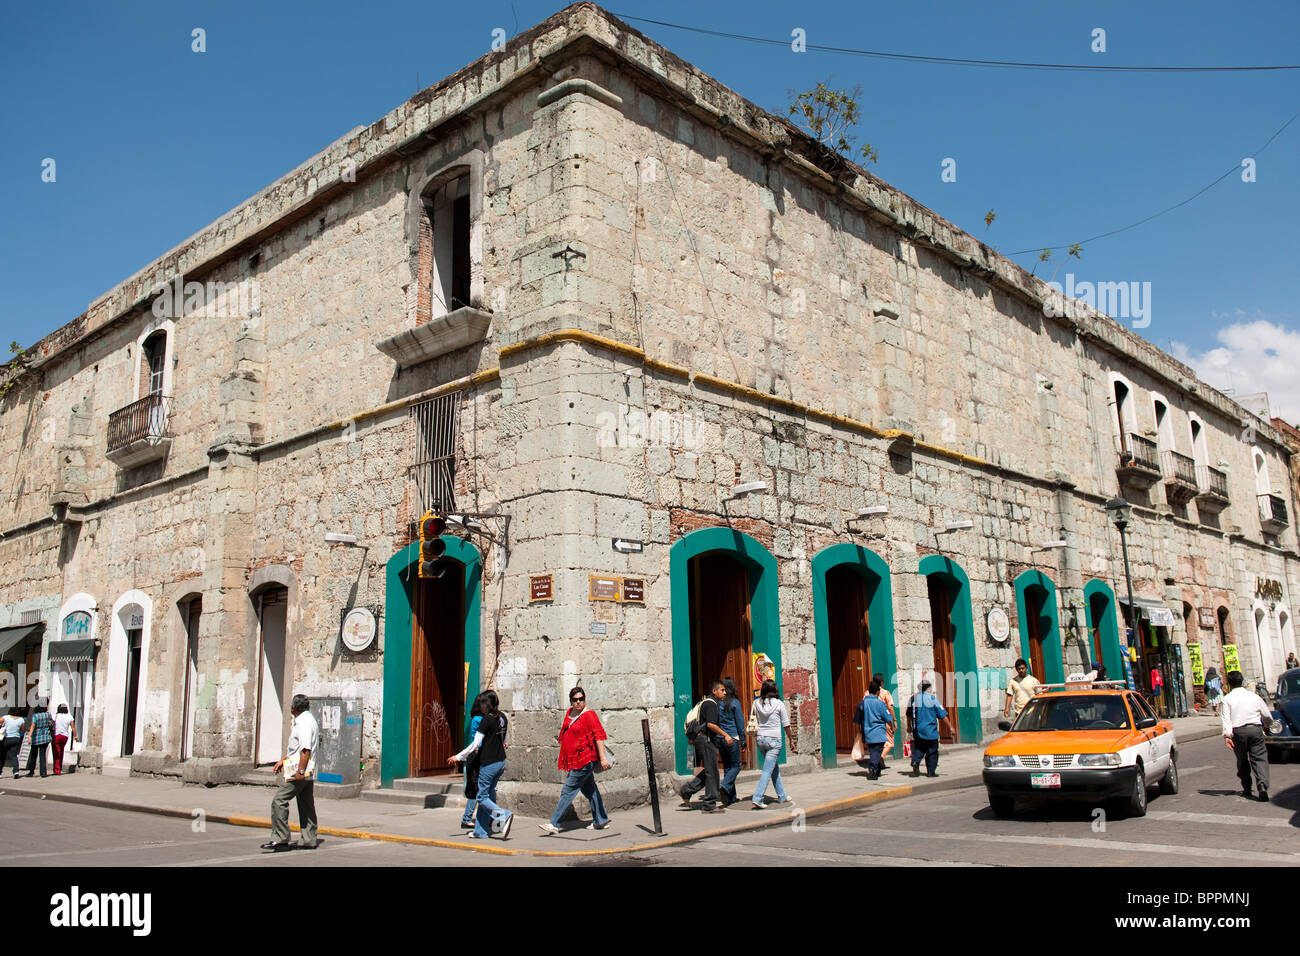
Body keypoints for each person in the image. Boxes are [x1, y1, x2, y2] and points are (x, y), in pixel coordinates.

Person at [538, 686, 611, 834]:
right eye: (575, 700)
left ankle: (555, 823)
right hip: (574, 759)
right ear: (571, 701)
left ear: (584, 699)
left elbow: (598, 736)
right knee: (589, 789)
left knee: (568, 789)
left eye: (581, 699)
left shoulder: (590, 715)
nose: (578, 702)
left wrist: (603, 758)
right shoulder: (569, 713)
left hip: (586, 758)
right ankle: (601, 820)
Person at [448, 690, 513, 839]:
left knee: (481, 797)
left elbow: (475, 744)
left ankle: (503, 815)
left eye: (483, 703)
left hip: (489, 763)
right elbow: (503, 738)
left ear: (488, 704)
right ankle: (480, 831)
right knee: (488, 795)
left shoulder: (487, 719)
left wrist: (458, 757)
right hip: (500, 762)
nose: (481, 706)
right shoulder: (502, 717)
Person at [261, 694, 319, 851]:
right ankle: (309, 838)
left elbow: (305, 750)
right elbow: (297, 748)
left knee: (279, 801)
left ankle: (280, 838)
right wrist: (283, 760)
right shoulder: (307, 720)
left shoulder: (304, 724)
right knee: (306, 804)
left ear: (293, 708)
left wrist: (300, 771)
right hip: (306, 769)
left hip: (299, 770)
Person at [679, 680, 731, 813]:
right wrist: (725, 735)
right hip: (706, 740)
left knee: (709, 769)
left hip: (703, 739)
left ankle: (687, 790)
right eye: (722, 690)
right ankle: (709, 804)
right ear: (714, 691)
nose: (724, 693)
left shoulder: (706, 703)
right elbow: (711, 725)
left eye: (724, 690)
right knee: (712, 772)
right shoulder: (711, 704)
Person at [1220, 670, 1272, 801]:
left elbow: (1226, 719)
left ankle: (1247, 788)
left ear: (1229, 684)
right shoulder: (1254, 697)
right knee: (1259, 758)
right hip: (1255, 729)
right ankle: (1262, 786)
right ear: (1242, 681)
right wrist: (1266, 725)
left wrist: (1227, 736)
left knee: (1242, 760)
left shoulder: (1227, 699)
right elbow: (1266, 715)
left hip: (1238, 733)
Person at [750, 678, 794, 808]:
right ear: (774, 690)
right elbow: (786, 724)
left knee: (773, 768)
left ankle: (782, 795)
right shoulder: (779, 704)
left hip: (761, 739)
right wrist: (791, 739)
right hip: (774, 740)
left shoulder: (756, 703)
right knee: (767, 770)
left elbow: (753, 718)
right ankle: (758, 797)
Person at [906, 680, 948, 777]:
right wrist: (950, 727)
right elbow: (942, 715)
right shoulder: (932, 699)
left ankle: (916, 761)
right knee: (932, 751)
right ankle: (931, 772)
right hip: (930, 730)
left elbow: (908, 714)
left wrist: (909, 726)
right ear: (928, 688)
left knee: (919, 748)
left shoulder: (913, 699)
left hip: (918, 729)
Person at [855, 680, 894, 779]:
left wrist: (858, 731)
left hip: (867, 732)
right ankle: (872, 768)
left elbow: (857, 720)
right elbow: (887, 717)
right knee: (877, 751)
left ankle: (877, 771)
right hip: (879, 732)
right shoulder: (880, 704)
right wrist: (892, 727)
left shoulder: (862, 704)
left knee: (873, 751)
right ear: (877, 692)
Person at [717, 677, 746, 805]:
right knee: (736, 765)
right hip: (732, 737)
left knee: (728, 766)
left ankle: (730, 797)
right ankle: (724, 785)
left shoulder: (718, 703)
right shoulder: (735, 703)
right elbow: (740, 723)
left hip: (720, 738)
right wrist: (743, 740)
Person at [458, 697, 484, 829]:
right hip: (476, 754)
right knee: (476, 787)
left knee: (480, 787)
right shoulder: (479, 720)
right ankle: (467, 817)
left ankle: (472, 817)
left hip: (479, 754)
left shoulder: (479, 719)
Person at [24, 701, 54, 778]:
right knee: (42, 755)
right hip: (45, 737)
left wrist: (29, 736)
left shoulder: (35, 716)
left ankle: (31, 771)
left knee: (34, 755)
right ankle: (43, 772)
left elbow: (33, 726)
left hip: (36, 738)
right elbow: (51, 723)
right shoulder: (48, 714)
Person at [873, 673, 896, 767]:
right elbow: (890, 707)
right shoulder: (885, 693)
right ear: (882, 683)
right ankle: (881, 757)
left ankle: (878, 759)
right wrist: (894, 720)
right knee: (890, 741)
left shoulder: (867, 693)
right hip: (884, 720)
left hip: (872, 720)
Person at [52, 704, 76, 775]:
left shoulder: (55, 716)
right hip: (65, 736)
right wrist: (75, 736)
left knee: (56, 753)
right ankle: (59, 766)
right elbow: (73, 727)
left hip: (57, 735)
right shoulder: (69, 717)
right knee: (61, 751)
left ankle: (57, 769)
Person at [0, 708, 23, 779]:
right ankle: (16, 772)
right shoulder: (21, 719)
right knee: (14, 756)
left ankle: (0, 772)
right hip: (16, 738)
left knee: (2, 756)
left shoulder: (6, 717)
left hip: (6, 738)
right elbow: (22, 729)